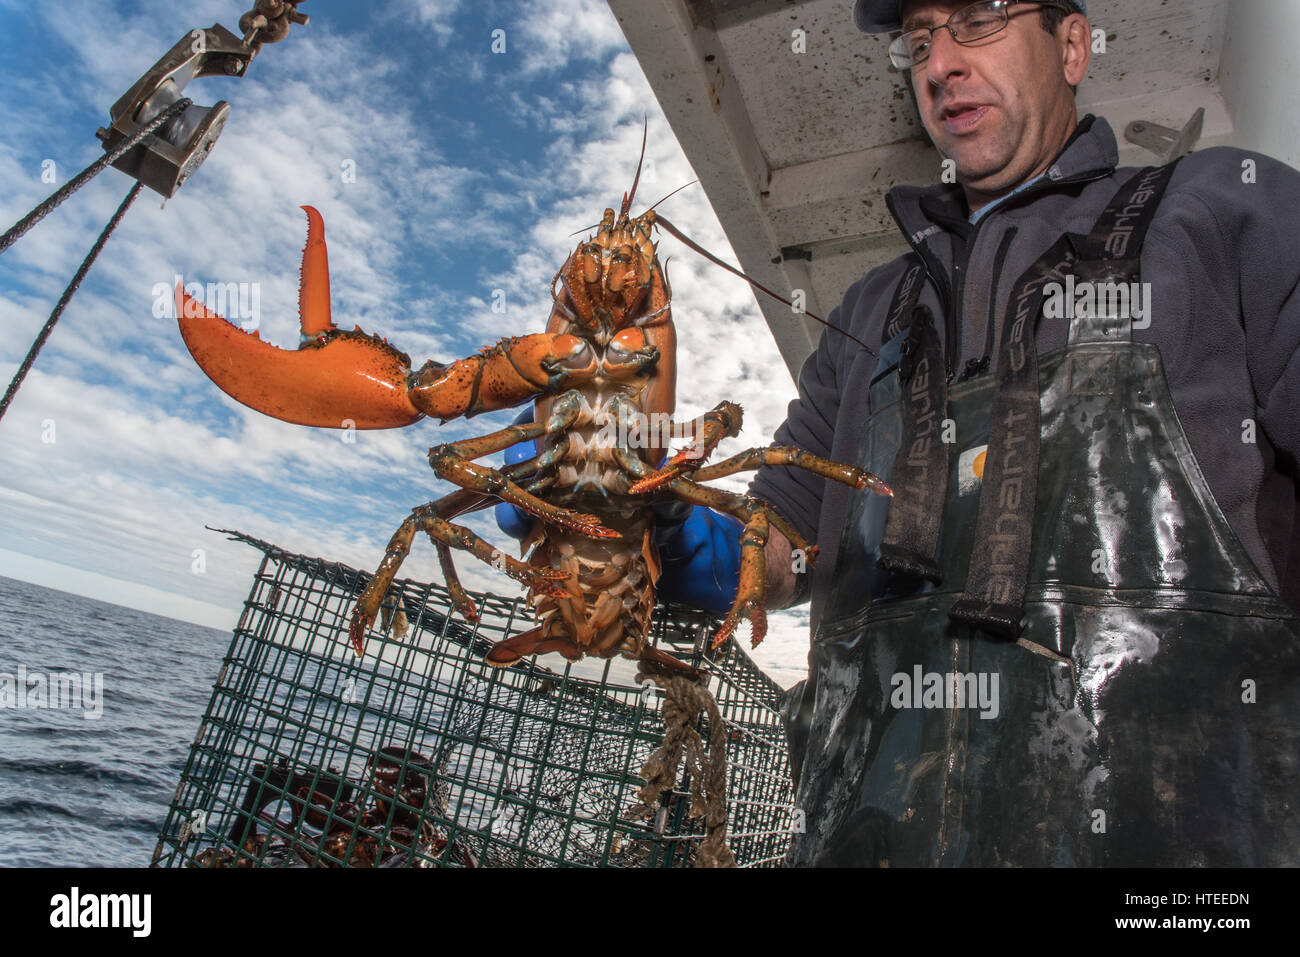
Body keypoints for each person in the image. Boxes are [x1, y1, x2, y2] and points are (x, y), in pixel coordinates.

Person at [501, 0, 1300, 865]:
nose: (940, 62)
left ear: (1073, 45)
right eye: (920, 40)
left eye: (980, 20)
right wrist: (650, 518)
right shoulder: (868, 309)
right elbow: (785, 541)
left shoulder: (1222, 213)